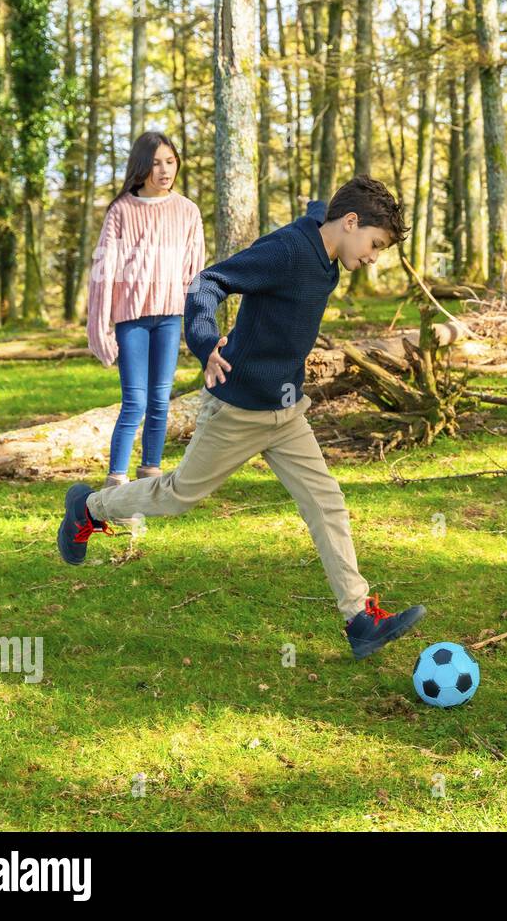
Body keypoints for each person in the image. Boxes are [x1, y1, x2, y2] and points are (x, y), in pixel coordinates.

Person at [58, 175, 425, 660]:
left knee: (326, 502)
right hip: (238, 410)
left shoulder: (328, 249)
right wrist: (208, 345)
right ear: (351, 223)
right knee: (178, 495)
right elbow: (208, 283)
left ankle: (359, 619)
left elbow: (320, 212)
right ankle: (89, 510)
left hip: (287, 412)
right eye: (375, 244)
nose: (375, 256)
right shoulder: (287, 251)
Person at [86, 131, 205, 486]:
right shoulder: (121, 210)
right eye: (155, 163)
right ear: (141, 166)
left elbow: (194, 270)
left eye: (170, 161)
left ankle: (150, 478)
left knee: (160, 402)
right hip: (131, 320)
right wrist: (101, 327)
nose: (165, 170)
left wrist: (198, 321)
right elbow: (103, 272)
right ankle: (116, 481)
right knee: (134, 402)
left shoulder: (187, 211)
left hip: (169, 317)